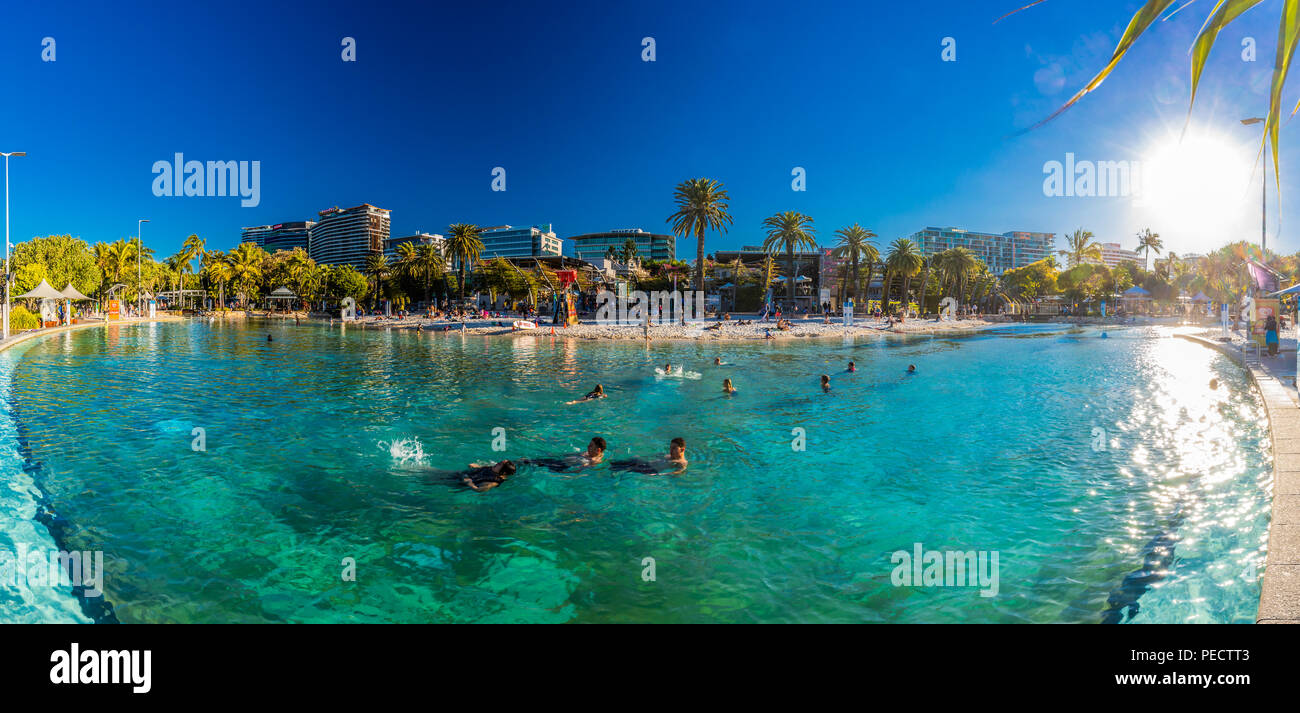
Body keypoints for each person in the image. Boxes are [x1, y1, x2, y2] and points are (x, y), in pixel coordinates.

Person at [521, 437, 607, 472]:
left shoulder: (594, 461)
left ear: (598, 450)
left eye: (591, 446)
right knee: (535, 460)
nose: (588, 446)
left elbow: (578, 471)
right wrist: (556, 455)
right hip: (559, 461)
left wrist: (565, 474)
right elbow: (574, 454)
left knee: (535, 463)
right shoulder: (591, 453)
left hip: (562, 466)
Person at [611, 437, 688, 475]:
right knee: (616, 463)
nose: (671, 450)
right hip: (645, 463)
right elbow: (655, 456)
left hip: (650, 470)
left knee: (623, 469)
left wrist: (658, 475)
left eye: (674, 448)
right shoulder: (669, 455)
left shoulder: (682, 463)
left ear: (682, 450)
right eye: (670, 447)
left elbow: (677, 473)